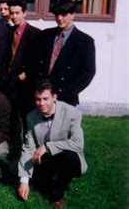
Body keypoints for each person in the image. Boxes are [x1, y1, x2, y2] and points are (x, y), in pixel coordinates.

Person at [18, 80, 87, 208]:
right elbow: (28, 147)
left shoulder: (72, 113)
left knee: (69, 158)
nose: (41, 103)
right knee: (38, 182)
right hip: (45, 158)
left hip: (67, 157)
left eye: (45, 99)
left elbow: (78, 144)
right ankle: (45, 178)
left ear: (54, 97)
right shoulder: (31, 117)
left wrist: (48, 146)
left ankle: (58, 194)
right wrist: (24, 180)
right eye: (38, 99)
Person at [33, 0, 96, 106]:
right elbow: (34, 62)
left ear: (73, 15)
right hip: (42, 96)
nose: (59, 18)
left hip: (66, 97)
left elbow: (88, 71)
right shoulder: (44, 35)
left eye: (64, 14)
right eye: (57, 15)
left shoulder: (85, 41)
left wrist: (70, 91)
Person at [7, 0, 41, 146]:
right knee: (11, 121)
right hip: (10, 85)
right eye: (11, 13)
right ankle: (14, 150)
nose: (14, 16)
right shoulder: (8, 32)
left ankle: (30, 151)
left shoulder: (35, 34)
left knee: (27, 121)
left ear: (25, 13)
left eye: (17, 13)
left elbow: (39, 61)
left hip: (25, 87)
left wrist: (28, 73)